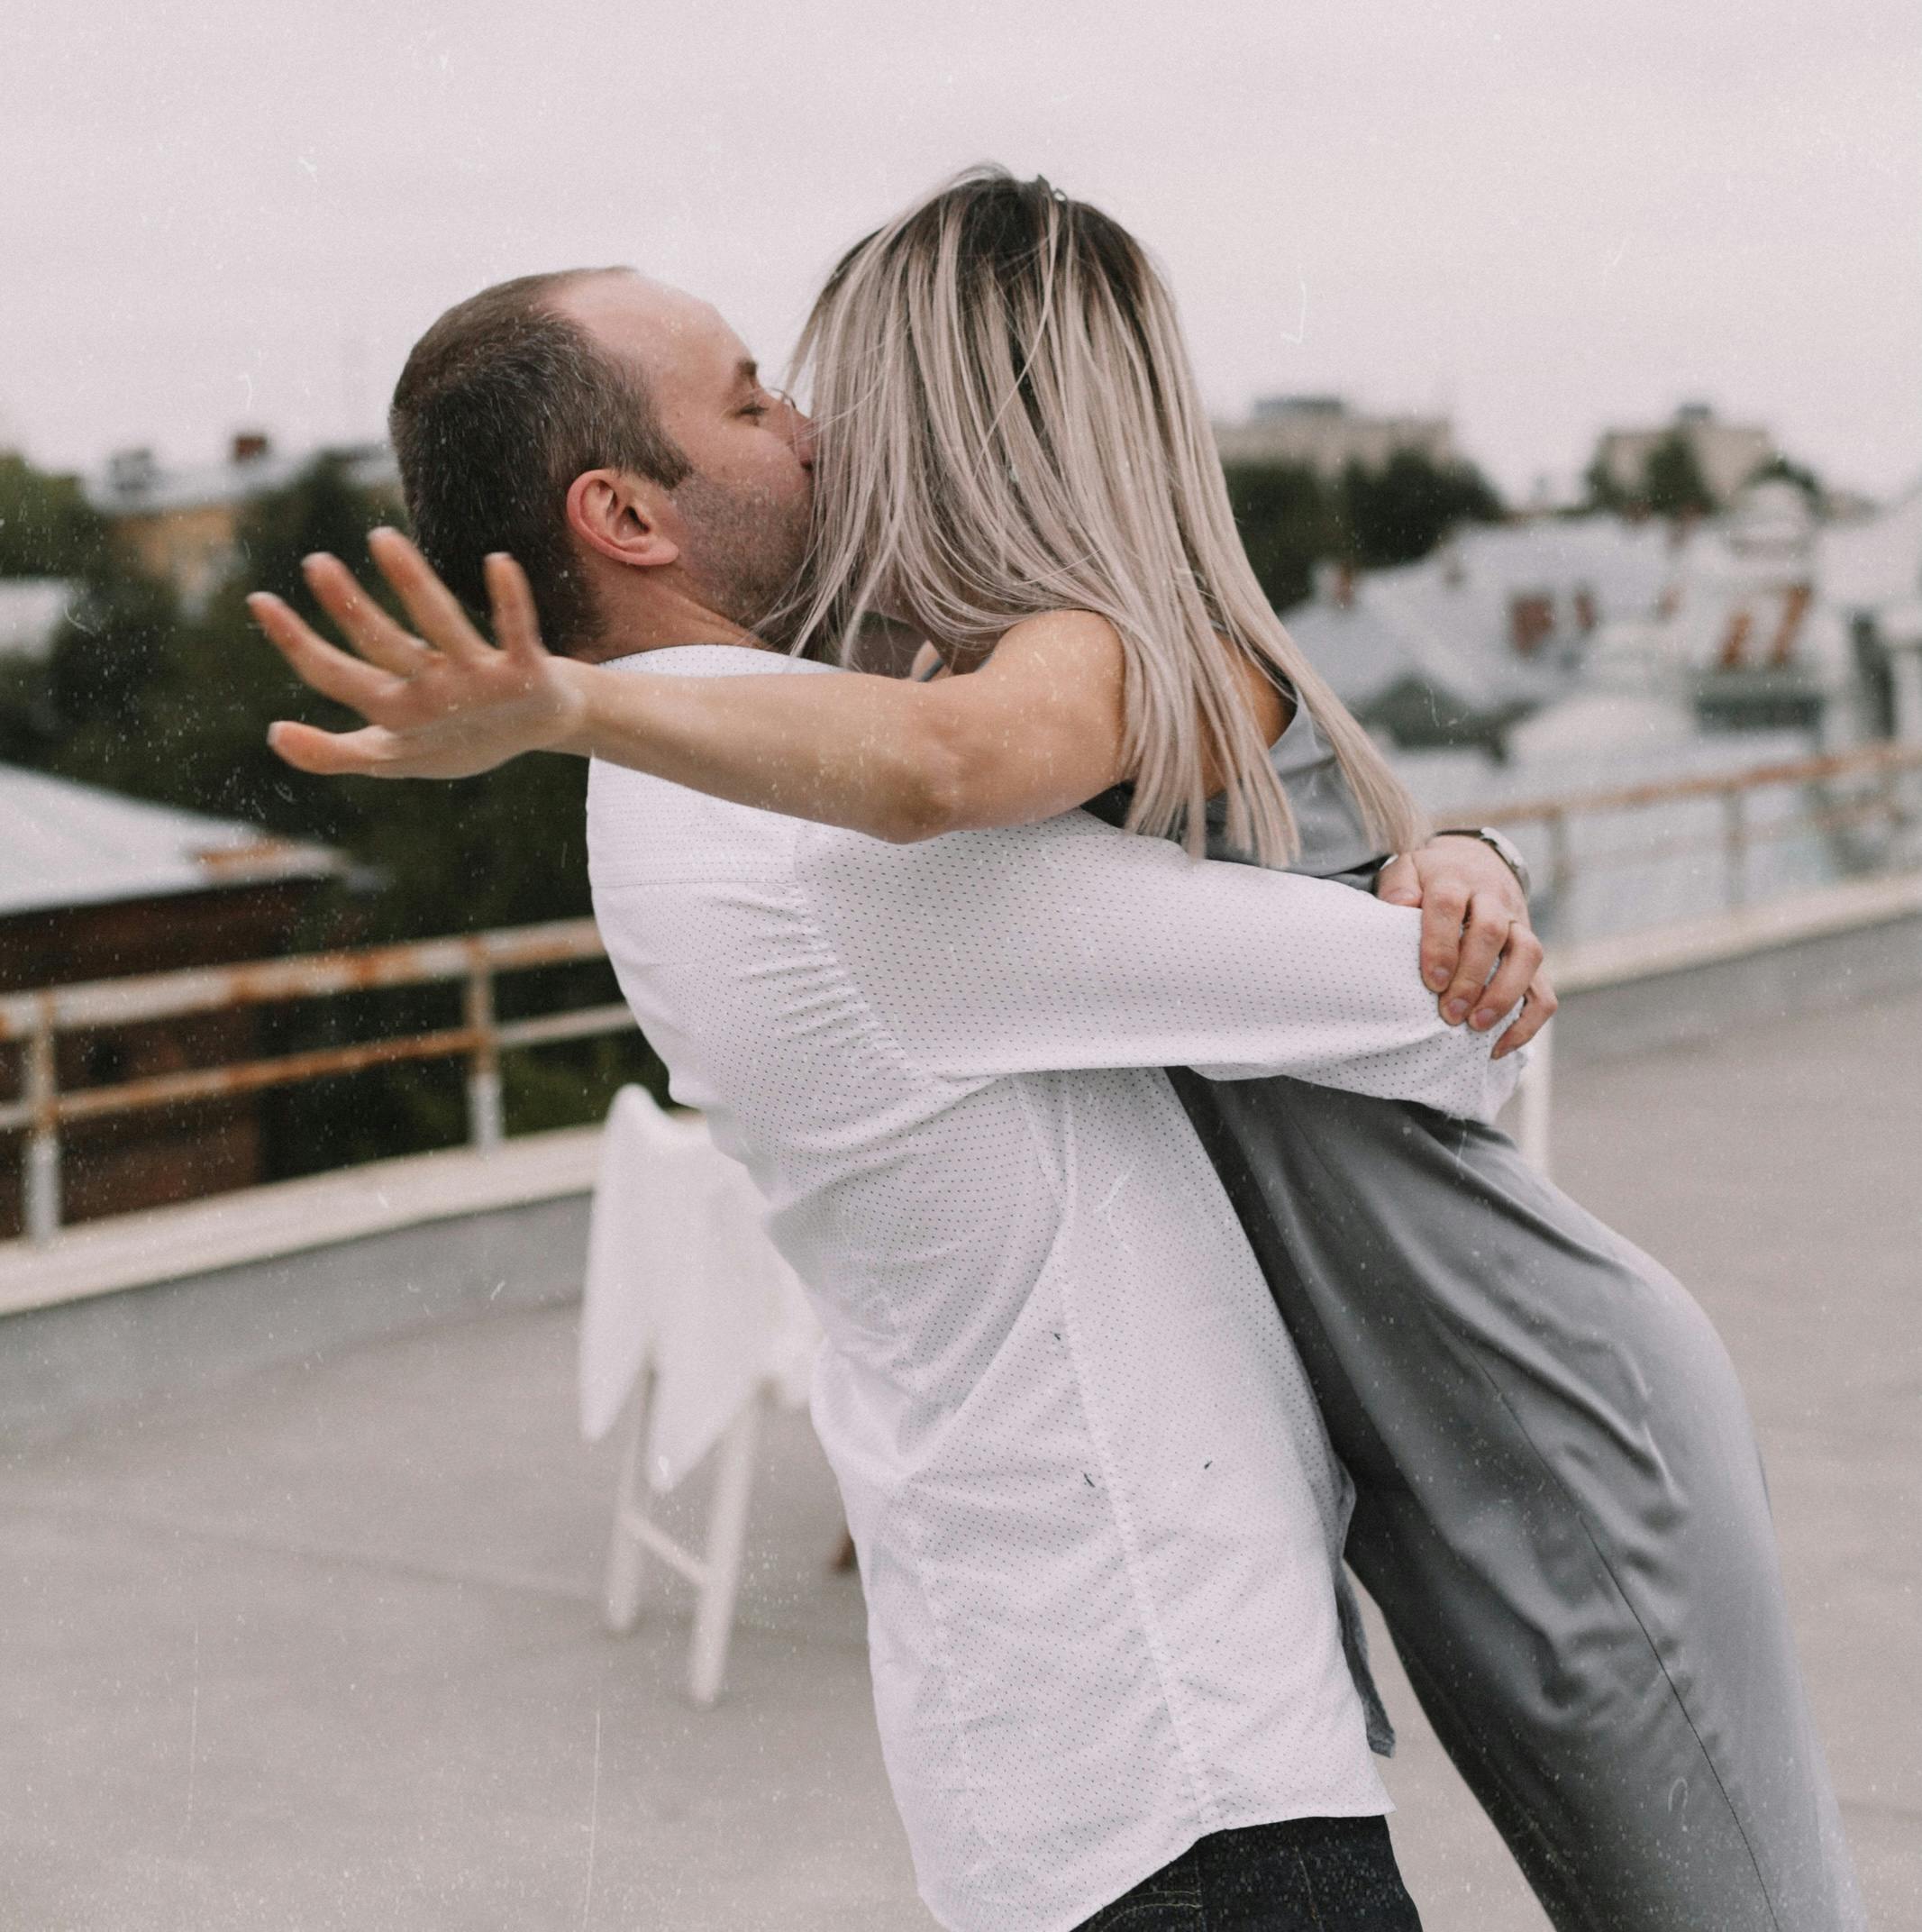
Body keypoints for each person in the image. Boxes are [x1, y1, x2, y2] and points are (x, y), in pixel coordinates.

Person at [250, 173, 1862, 1932]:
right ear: (626, 511)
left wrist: (1448, 848)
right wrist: (1460, 877)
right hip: (1175, 1782)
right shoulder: (826, 838)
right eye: (746, 398)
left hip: (1092, 1767)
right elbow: (1415, 993)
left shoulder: (709, 796)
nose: (808, 429)